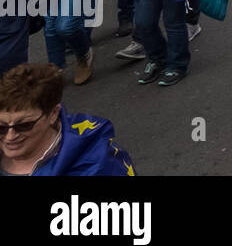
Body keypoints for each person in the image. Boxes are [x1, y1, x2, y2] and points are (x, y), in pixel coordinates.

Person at [0, 63, 135, 175]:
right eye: (1, 127)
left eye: (24, 125)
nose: (10, 136)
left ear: (53, 114)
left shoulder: (97, 166)